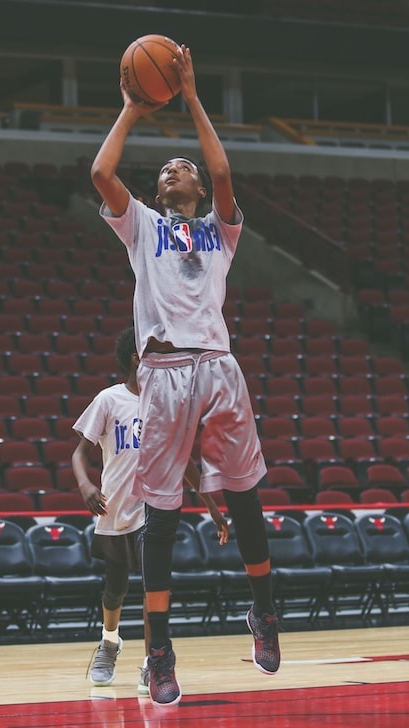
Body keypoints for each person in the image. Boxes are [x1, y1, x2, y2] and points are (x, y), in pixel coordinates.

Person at [90, 44, 280, 706]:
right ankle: (159, 648)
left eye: (185, 168)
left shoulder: (219, 231)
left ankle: (264, 610)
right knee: (163, 515)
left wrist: (193, 96)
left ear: (199, 192)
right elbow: (101, 171)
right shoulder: (142, 227)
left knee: (245, 494)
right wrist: (131, 108)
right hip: (165, 370)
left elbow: (223, 169)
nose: (176, 169)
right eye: (166, 169)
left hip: (219, 366)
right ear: (157, 192)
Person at [71, 327, 229, 693]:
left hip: (153, 509)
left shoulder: (166, 406)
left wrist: (212, 506)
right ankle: (110, 641)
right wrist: (86, 486)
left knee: (152, 588)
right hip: (114, 508)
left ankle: (153, 661)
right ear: (136, 359)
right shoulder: (109, 399)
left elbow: (185, 461)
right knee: (114, 591)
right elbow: (79, 453)